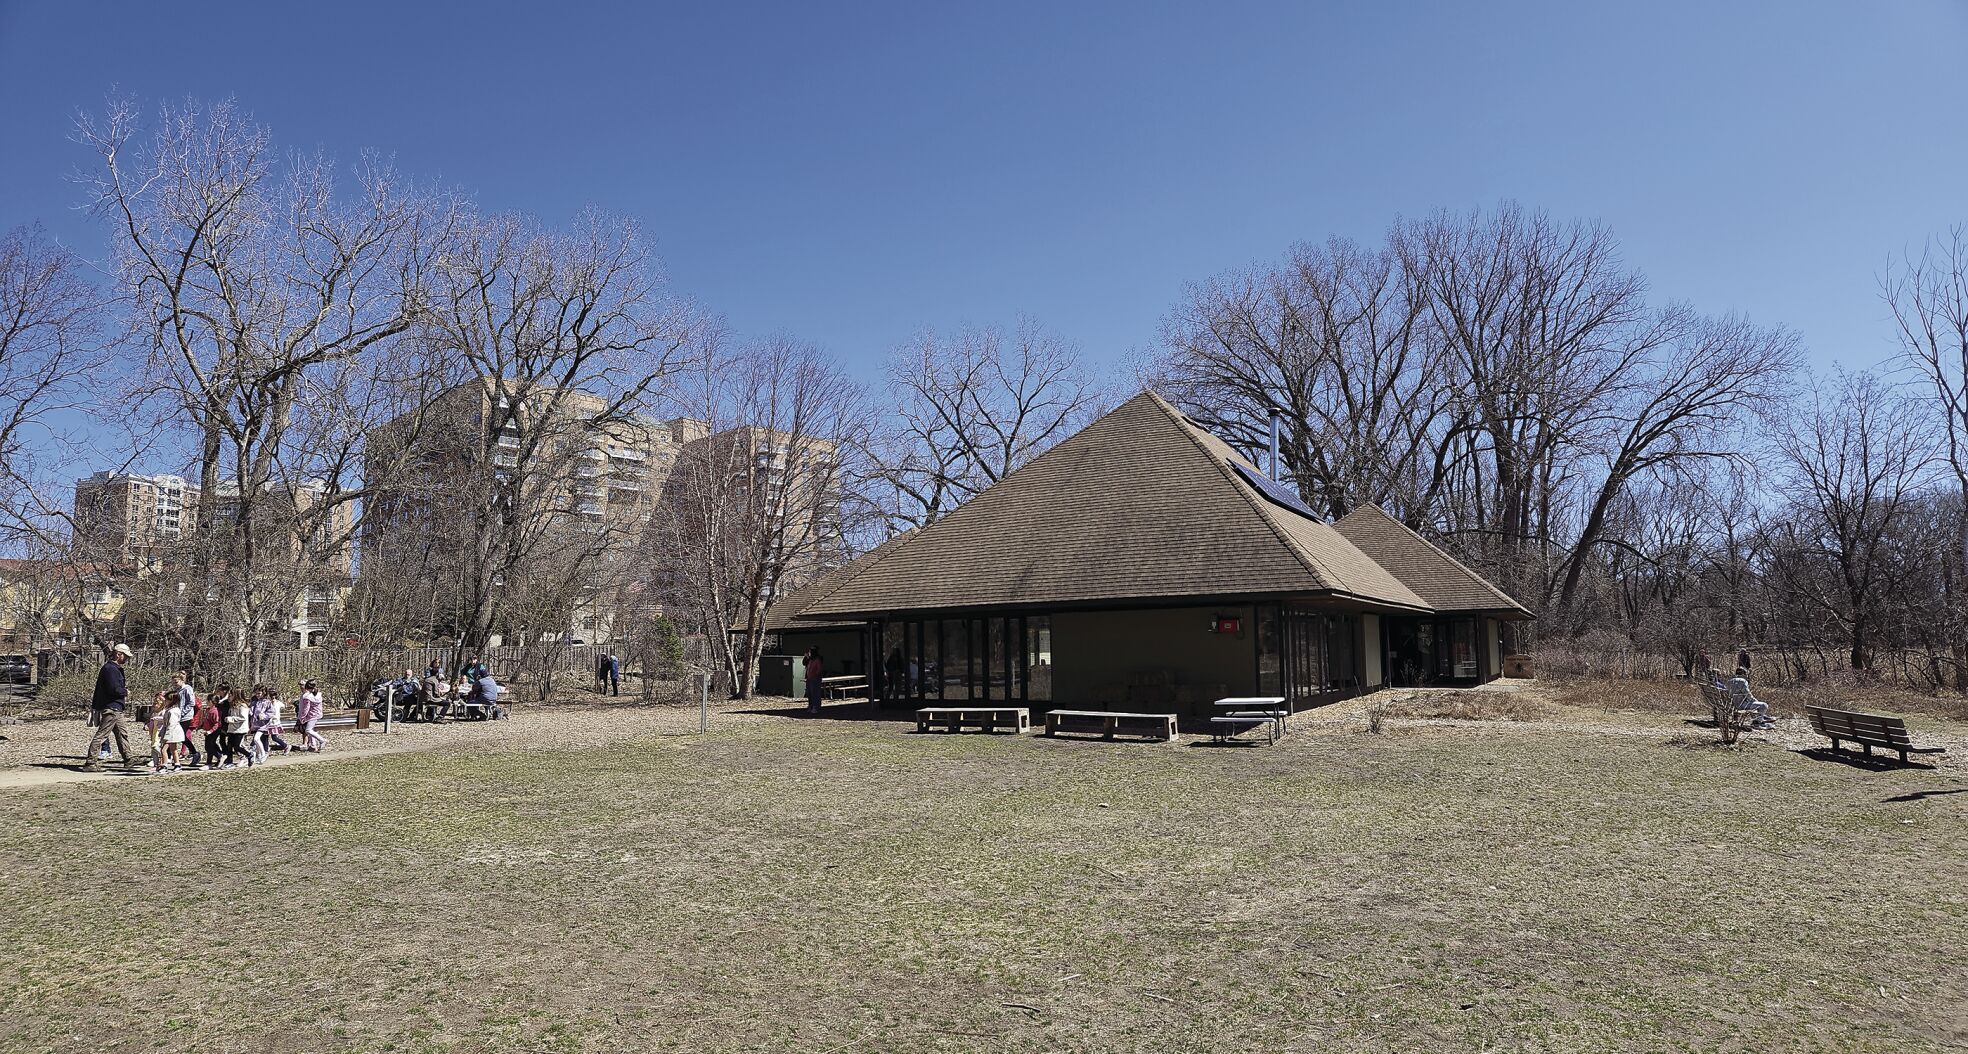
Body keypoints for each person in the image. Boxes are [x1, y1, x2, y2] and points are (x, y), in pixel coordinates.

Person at [83, 643, 140, 772]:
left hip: (115, 707)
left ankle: (128, 758)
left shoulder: (112, 668)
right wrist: (125, 691)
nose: (127, 659)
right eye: (125, 656)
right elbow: (113, 689)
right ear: (118, 654)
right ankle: (90, 762)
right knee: (102, 734)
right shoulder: (111, 669)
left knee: (122, 733)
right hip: (111, 707)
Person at [188, 688, 222, 770]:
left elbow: (217, 723)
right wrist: (200, 726)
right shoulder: (207, 710)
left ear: (213, 702)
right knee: (208, 747)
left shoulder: (215, 711)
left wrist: (210, 731)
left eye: (208, 700)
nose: (206, 702)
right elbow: (205, 720)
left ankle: (220, 757)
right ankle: (210, 762)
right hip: (207, 731)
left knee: (209, 747)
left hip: (214, 731)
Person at [218, 686, 251, 769]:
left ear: (236, 695)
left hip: (240, 729)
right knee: (229, 746)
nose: (229, 697)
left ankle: (249, 755)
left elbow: (243, 718)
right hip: (231, 729)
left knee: (237, 746)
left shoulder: (243, 706)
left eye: (231, 695)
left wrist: (231, 719)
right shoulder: (232, 705)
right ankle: (230, 762)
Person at [295, 681, 326, 752]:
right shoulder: (317, 694)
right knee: (311, 730)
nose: (301, 687)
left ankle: (322, 740)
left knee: (308, 730)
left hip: (312, 715)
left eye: (302, 685)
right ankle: (313, 745)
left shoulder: (307, 697)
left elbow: (305, 709)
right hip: (316, 714)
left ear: (307, 687)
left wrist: (301, 718)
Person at [803, 647, 824, 715]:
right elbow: (804, 663)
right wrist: (806, 657)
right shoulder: (810, 660)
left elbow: (819, 669)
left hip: (815, 679)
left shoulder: (818, 660)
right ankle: (811, 706)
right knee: (809, 693)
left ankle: (816, 707)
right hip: (809, 678)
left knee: (815, 693)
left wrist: (815, 675)